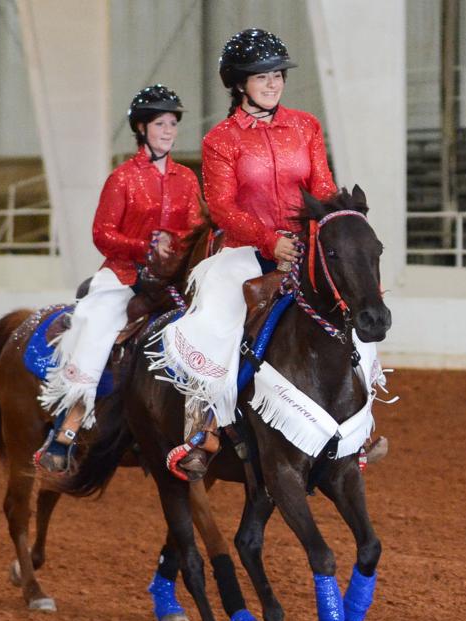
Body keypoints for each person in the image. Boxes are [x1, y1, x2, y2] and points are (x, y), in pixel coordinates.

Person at [148, 28, 338, 480]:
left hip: (304, 248)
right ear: (238, 83)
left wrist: (318, 231)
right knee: (212, 321)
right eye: (261, 76)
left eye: (278, 75)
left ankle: (357, 425)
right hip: (244, 251)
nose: (273, 83)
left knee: (354, 305)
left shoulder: (306, 126)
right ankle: (202, 427)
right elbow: (222, 207)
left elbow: (323, 188)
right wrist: (270, 240)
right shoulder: (222, 139)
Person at [35, 85, 201, 473]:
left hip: (173, 281)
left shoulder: (187, 179)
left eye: (173, 123)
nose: (168, 130)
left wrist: (176, 248)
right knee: (96, 326)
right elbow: (102, 233)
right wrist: (145, 246)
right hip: (124, 276)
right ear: (142, 128)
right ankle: (67, 429)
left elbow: (195, 227)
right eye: (160, 123)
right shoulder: (123, 178)